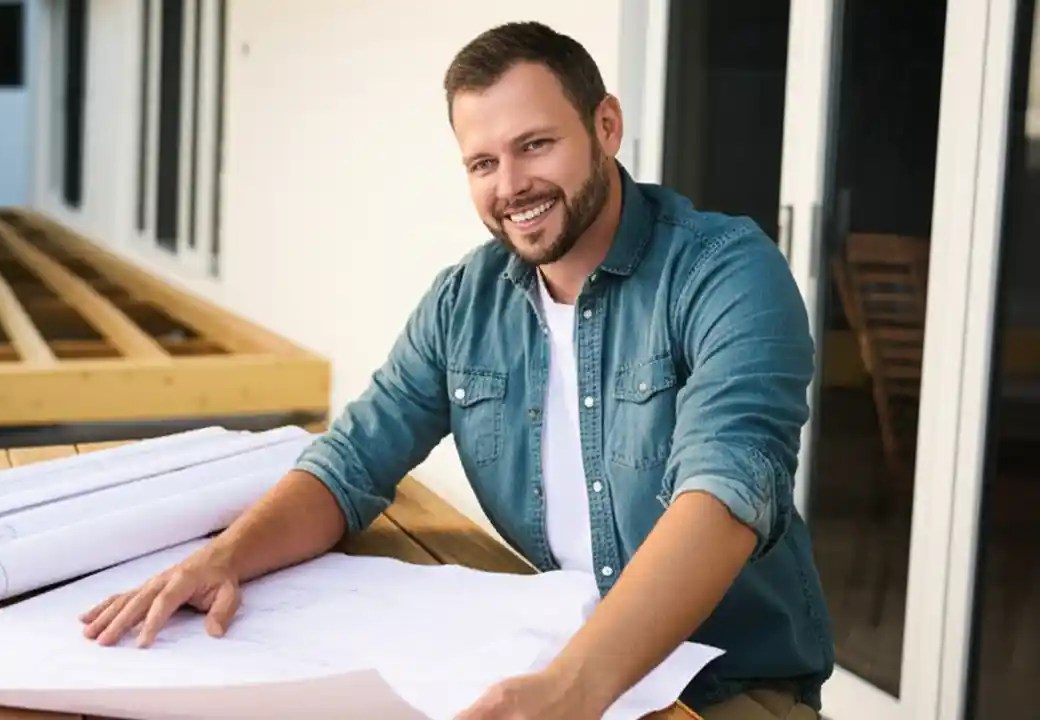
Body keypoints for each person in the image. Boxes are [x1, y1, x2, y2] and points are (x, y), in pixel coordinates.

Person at [79, 21, 834, 720]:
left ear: (607, 125)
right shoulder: (465, 302)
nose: (510, 187)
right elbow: (352, 462)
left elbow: (725, 493)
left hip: (723, 687)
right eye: (483, 162)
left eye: (535, 145)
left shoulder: (724, 272)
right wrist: (224, 558)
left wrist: (572, 691)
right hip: (549, 655)